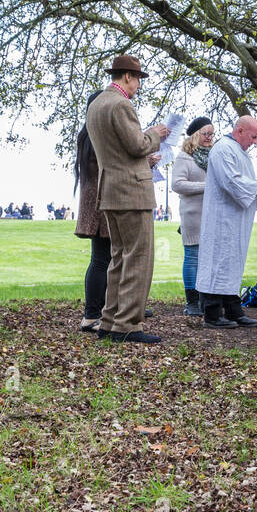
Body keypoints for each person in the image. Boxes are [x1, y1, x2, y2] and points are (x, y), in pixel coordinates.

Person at [86, 55, 170, 344]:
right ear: (127, 77)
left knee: (118, 258)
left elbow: (117, 151)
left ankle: (109, 321)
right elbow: (137, 145)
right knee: (138, 258)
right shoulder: (121, 104)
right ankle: (128, 325)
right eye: (137, 80)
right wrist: (155, 134)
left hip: (110, 189)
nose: (138, 86)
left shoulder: (96, 104)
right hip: (132, 192)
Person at [198, 117, 257, 327]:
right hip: (222, 219)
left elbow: (244, 183)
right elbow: (231, 180)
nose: (255, 142)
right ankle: (212, 314)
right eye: (253, 136)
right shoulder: (222, 149)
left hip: (236, 220)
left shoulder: (240, 153)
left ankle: (233, 309)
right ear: (240, 130)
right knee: (218, 262)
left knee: (231, 264)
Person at [73, 90, 111, 333]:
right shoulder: (96, 134)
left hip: (95, 200)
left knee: (103, 259)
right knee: (100, 259)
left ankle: (101, 309)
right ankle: (92, 314)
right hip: (101, 202)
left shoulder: (87, 133)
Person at [172, 117, 214, 317]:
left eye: (212, 134)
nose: (209, 138)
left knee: (207, 257)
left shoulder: (213, 156)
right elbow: (177, 184)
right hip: (192, 214)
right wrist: (206, 187)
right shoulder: (184, 158)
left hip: (211, 214)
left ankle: (207, 298)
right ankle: (192, 301)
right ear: (196, 135)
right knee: (193, 256)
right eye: (206, 133)